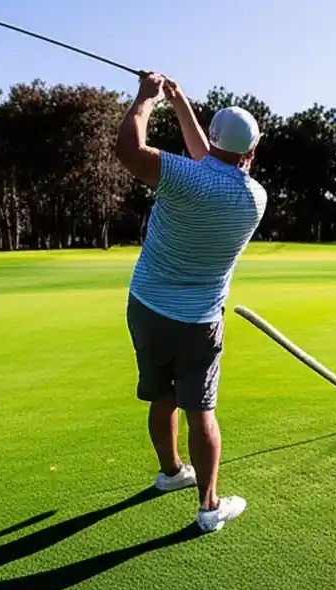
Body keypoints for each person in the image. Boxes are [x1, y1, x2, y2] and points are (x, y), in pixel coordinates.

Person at [114, 72, 267, 533]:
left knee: (162, 397)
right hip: (199, 320)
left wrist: (147, 99)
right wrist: (179, 102)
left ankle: (169, 473)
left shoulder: (182, 177)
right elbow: (215, 162)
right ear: (252, 152)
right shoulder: (253, 198)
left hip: (145, 307)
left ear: (215, 141)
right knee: (201, 410)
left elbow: (129, 151)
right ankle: (208, 507)